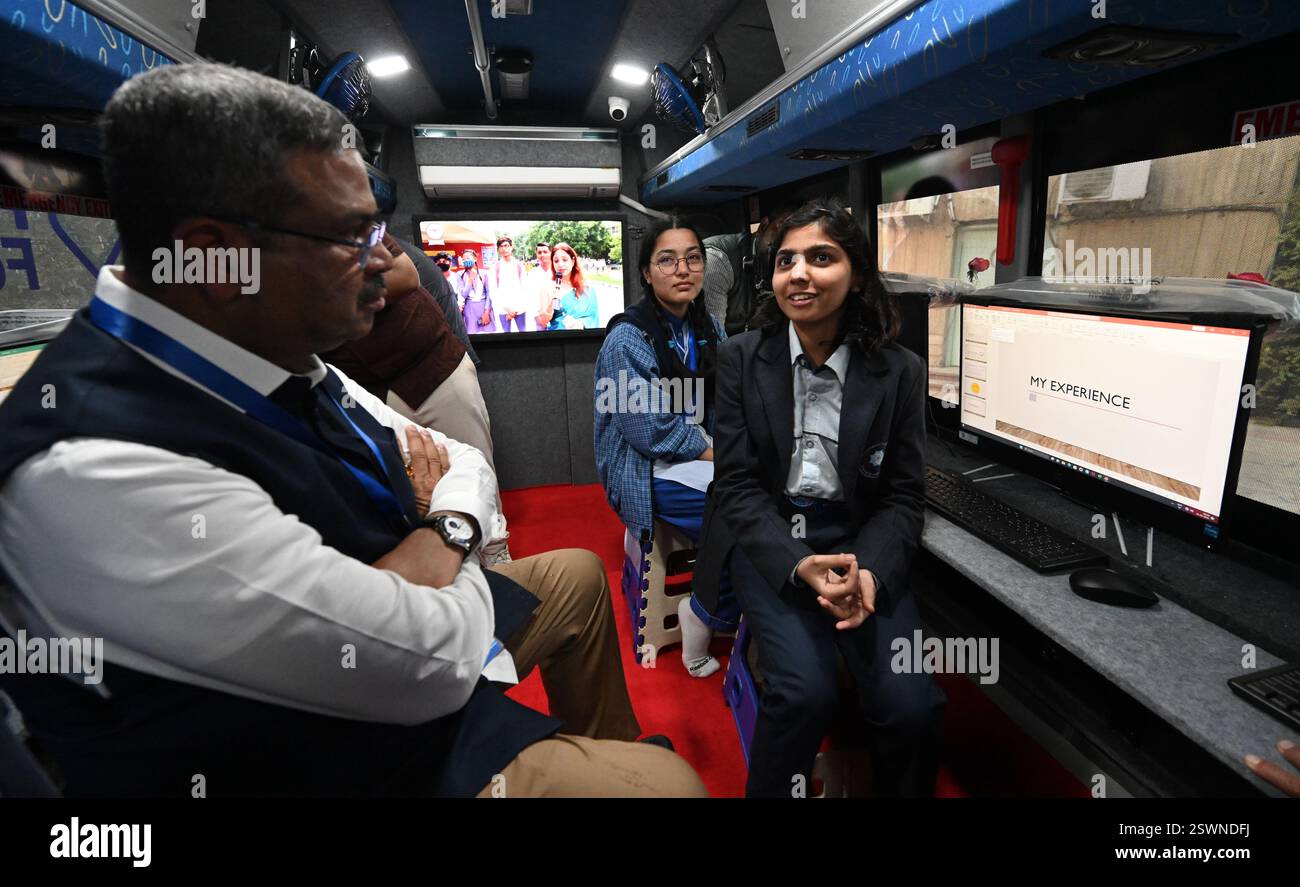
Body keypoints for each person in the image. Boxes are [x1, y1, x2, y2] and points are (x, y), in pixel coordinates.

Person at [0, 63, 705, 798]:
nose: (384, 262)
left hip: (409, 636)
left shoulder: (277, 356)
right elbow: (424, 662)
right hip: (341, 753)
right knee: (675, 786)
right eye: (349, 234)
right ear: (216, 256)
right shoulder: (90, 465)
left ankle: (604, 753)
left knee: (579, 577)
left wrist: (426, 546)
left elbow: (462, 460)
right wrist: (451, 527)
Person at [700, 197, 945, 797]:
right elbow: (735, 484)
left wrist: (871, 577)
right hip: (774, 537)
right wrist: (796, 563)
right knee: (804, 693)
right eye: (786, 261)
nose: (800, 273)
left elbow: (904, 495)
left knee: (913, 705)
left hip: (860, 543)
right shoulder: (738, 359)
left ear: (856, 274)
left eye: (821, 257)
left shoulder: (900, 372)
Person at [594, 218, 740, 677]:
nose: (683, 269)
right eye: (667, 260)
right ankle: (703, 617)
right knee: (744, 514)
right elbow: (648, 431)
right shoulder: (627, 339)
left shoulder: (708, 328)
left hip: (695, 455)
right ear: (645, 273)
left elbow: (725, 400)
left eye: (693, 258)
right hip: (643, 466)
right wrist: (719, 453)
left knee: (756, 493)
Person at [321, 231, 510, 563]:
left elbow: (404, 274)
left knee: (476, 469)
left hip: (436, 370)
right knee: (411, 490)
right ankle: (455, 571)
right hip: (366, 391)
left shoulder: (335, 213)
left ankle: (498, 559)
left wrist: (322, 303)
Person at [543, 243, 599, 330]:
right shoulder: (550, 286)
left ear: (572, 261)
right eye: (556, 261)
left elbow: (593, 317)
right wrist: (552, 300)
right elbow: (545, 321)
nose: (560, 264)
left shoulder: (587, 288)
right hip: (557, 338)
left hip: (581, 338)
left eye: (565, 260)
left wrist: (581, 324)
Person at [492, 235, 530, 332]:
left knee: (523, 332)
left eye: (506, 245)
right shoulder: (495, 267)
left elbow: (525, 288)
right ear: (498, 249)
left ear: (511, 247)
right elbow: (494, 291)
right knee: (506, 336)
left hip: (519, 308)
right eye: (501, 246)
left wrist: (515, 309)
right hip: (503, 309)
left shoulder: (519, 265)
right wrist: (508, 309)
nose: (504, 249)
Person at [457, 248, 494, 334]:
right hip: (469, 309)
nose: (466, 260)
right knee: (472, 334)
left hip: (484, 306)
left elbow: (489, 293)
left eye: (468, 258)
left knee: (488, 333)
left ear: (475, 259)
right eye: (463, 259)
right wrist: (470, 279)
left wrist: (486, 312)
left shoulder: (484, 273)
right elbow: (464, 294)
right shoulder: (460, 274)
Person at [530, 241, 559, 329]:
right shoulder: (532, 274)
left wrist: (555, 312)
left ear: (551, 253)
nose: (542, 255)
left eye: (545, 252)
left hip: (556, 315)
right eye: (539, 252)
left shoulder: (557, 272)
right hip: (539, 316)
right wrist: (536, 317)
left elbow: (558, 293)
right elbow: (531, 296)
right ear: (536, 254)